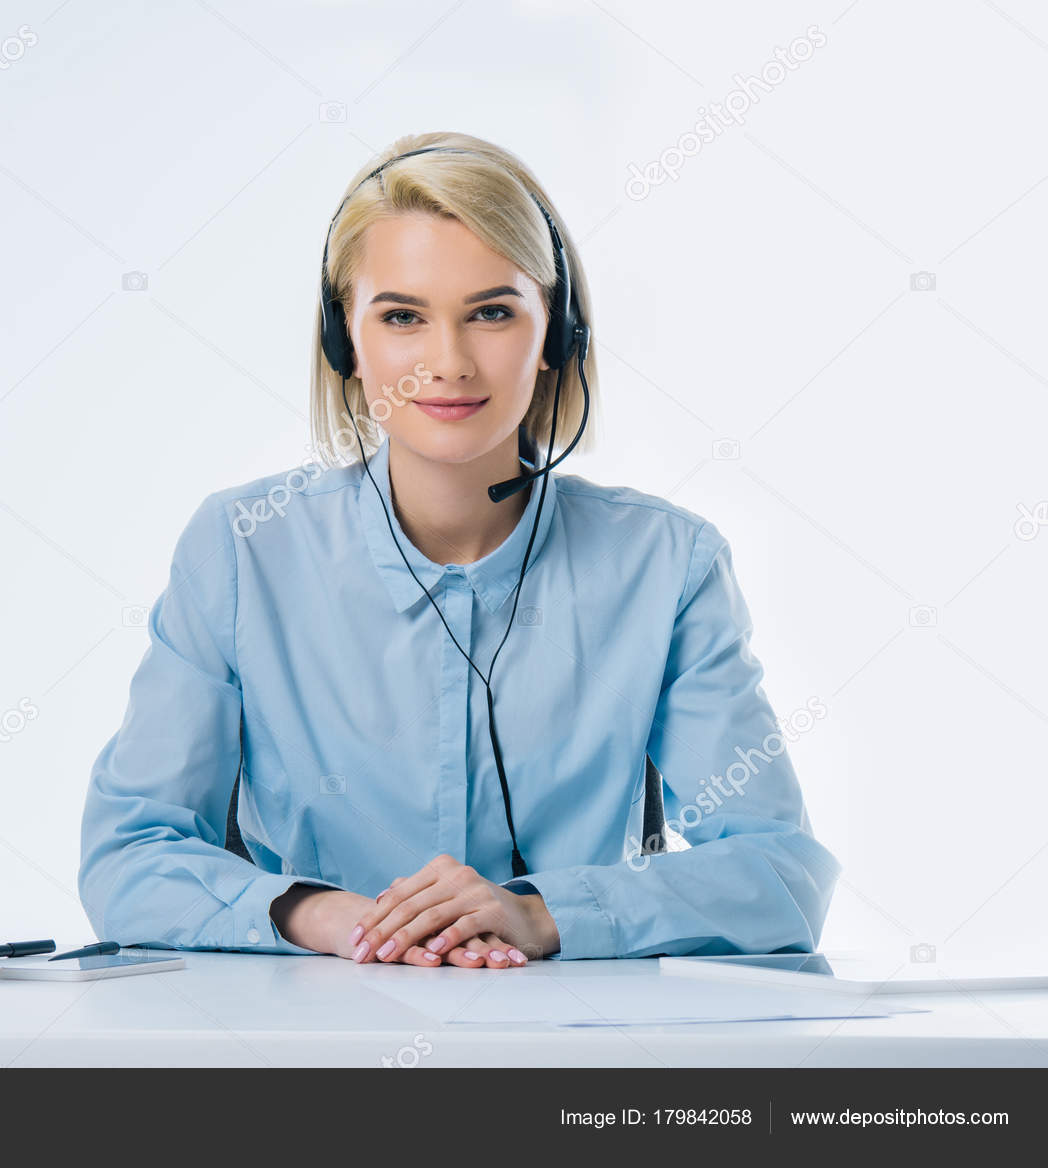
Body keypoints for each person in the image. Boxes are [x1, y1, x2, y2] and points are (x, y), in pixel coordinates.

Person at [77, 130, 839, 968]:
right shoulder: (242, 552)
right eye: (402, 316)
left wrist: (543, 915)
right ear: (346, 344)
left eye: (492, 312)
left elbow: (779, 873)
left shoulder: (666, 565)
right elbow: (129, 857)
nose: (446, 362)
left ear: (557, 336)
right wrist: (336, 920)